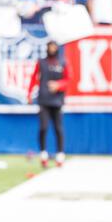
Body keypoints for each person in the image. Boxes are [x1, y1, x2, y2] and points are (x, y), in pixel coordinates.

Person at [27, 40, 70, 168]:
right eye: (49, 46)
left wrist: (58, 85)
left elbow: (69, 80)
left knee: (58, 128)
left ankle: (60, 155)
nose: (52, 49)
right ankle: (43, 155)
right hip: (44, 99)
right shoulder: (41, 62)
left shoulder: (63, 62)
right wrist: (29, 93)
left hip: (57, 100)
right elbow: (34, 77)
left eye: (54, 47)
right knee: (43, 127)